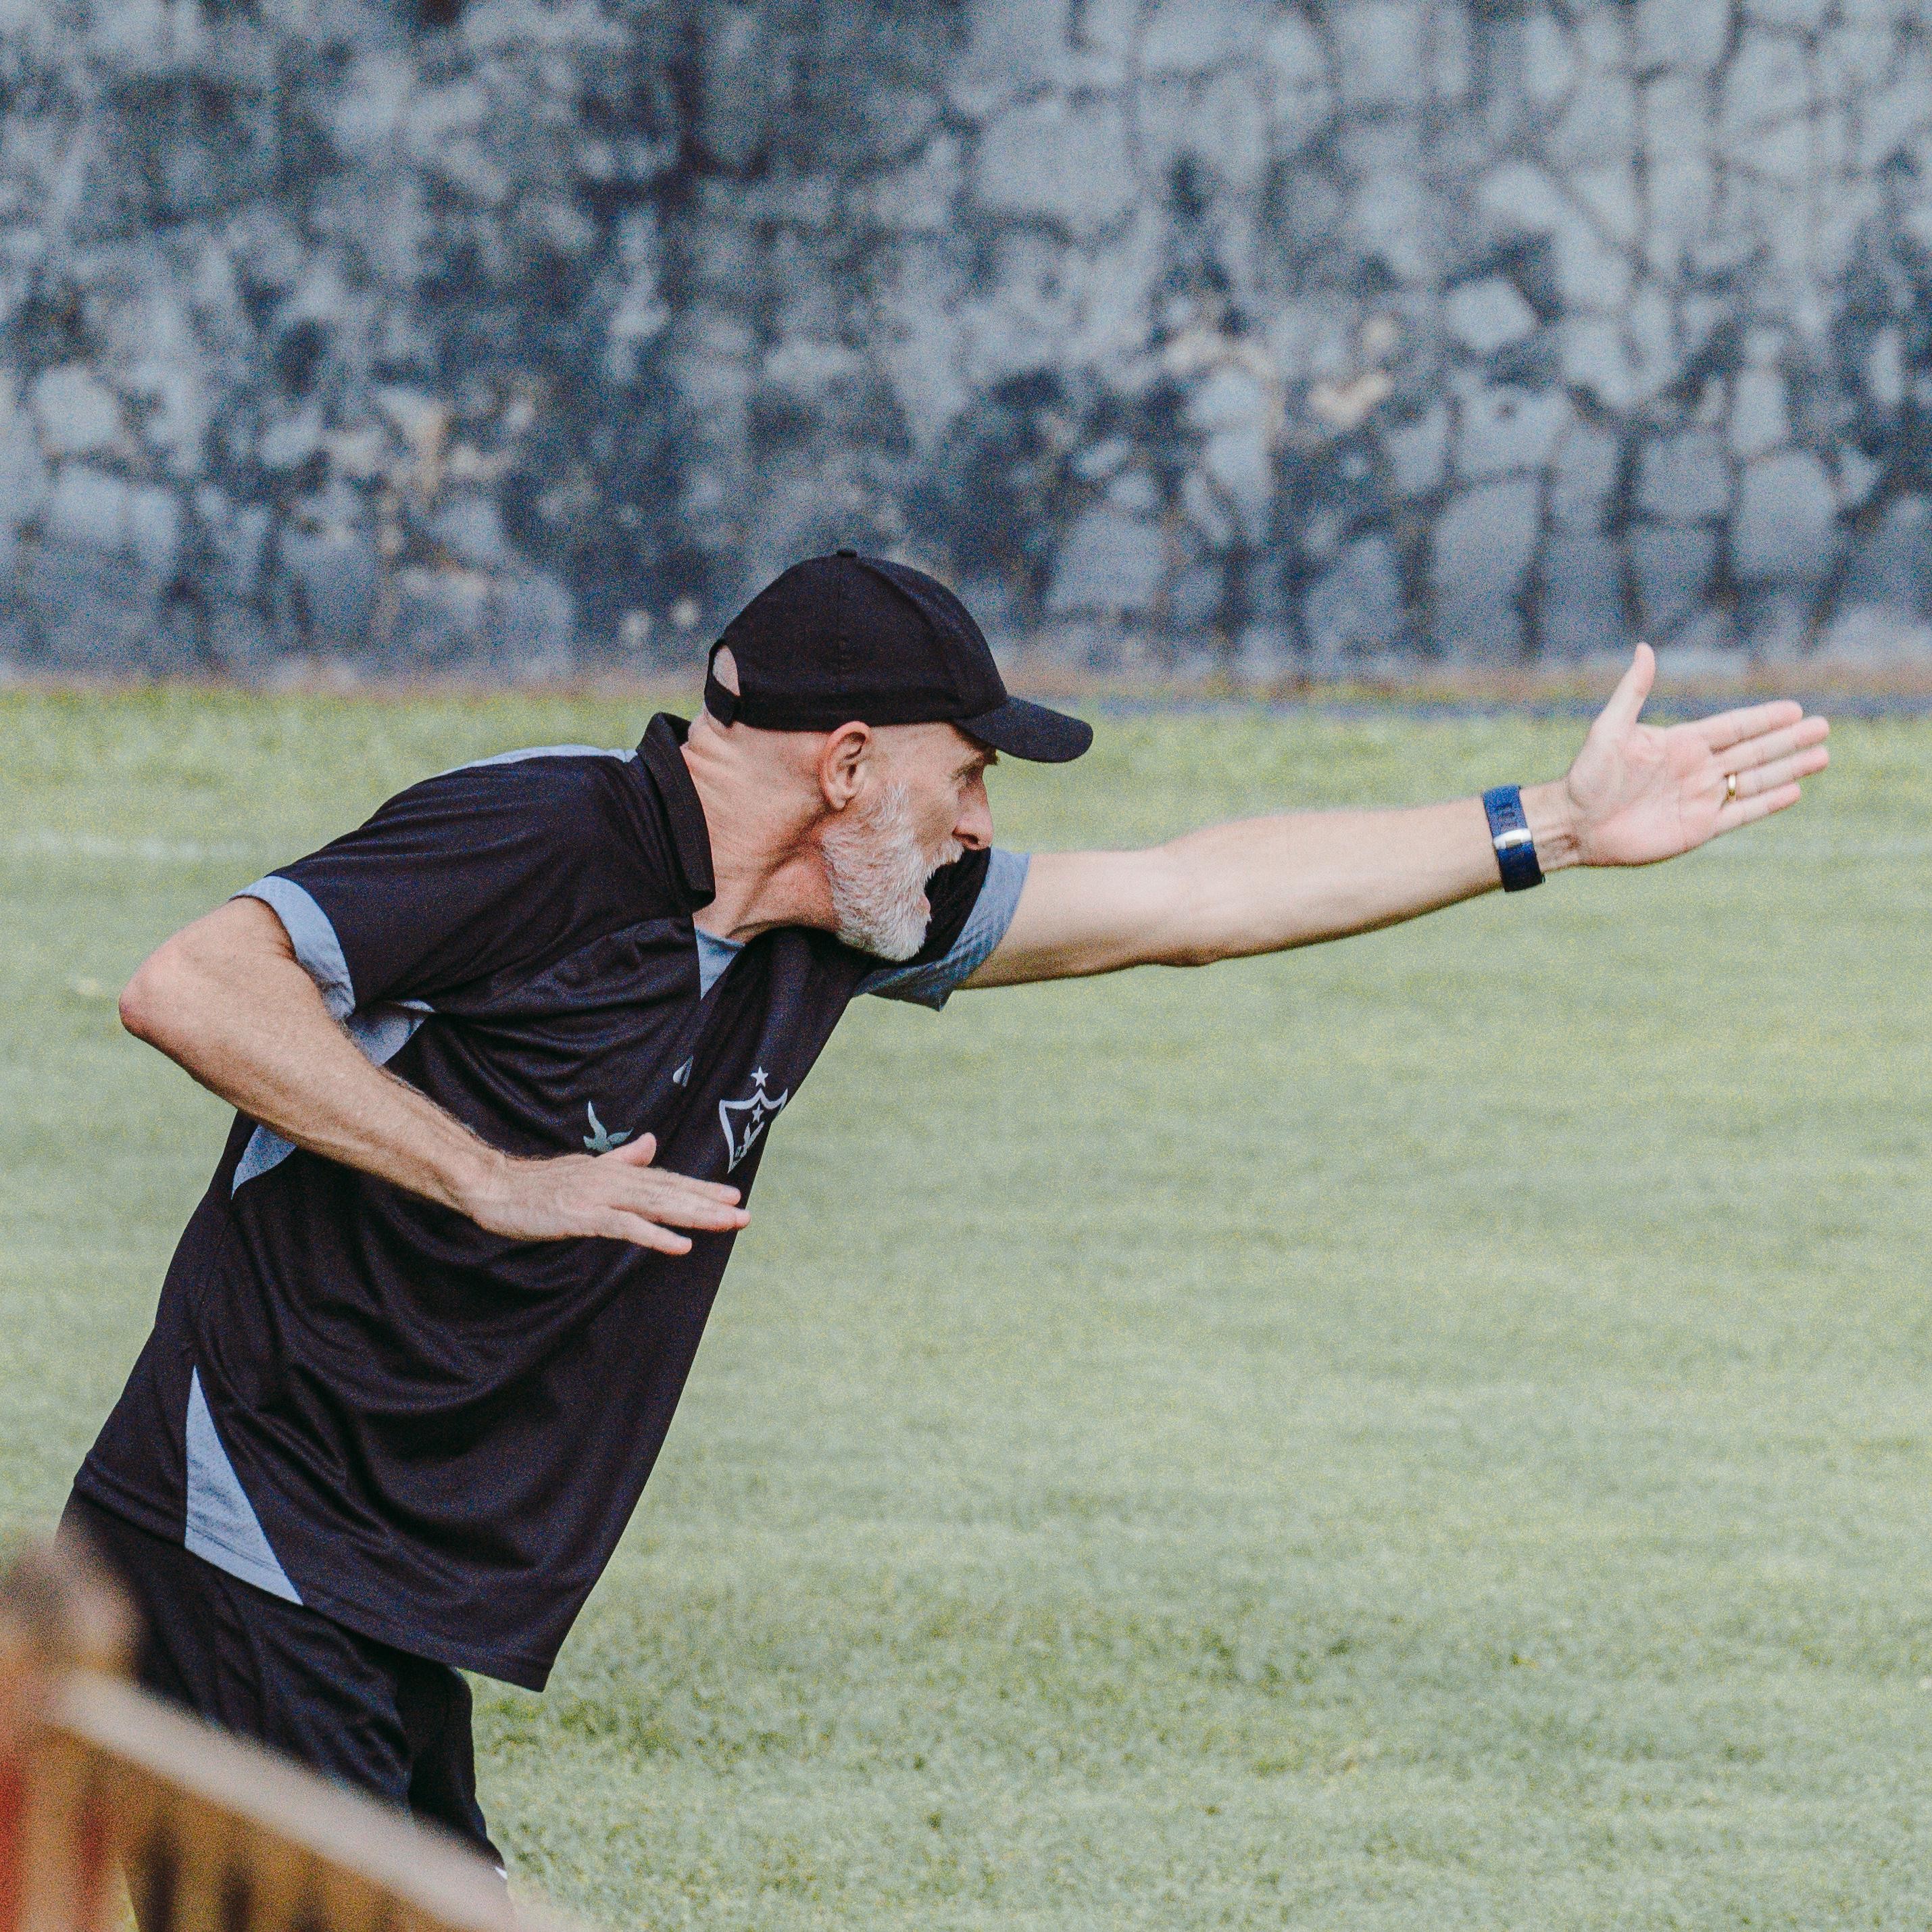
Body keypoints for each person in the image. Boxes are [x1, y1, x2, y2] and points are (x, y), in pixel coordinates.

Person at [63, 550, 1829, 1866]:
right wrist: (491, 1175)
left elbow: (1188, 896)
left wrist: (1555, 827)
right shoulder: (540, 842)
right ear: (846, 764)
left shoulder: (840, 915)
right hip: (248, 1535)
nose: (980, 815)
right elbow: (193, 979)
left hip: (380, 1578)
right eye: (966, 771)